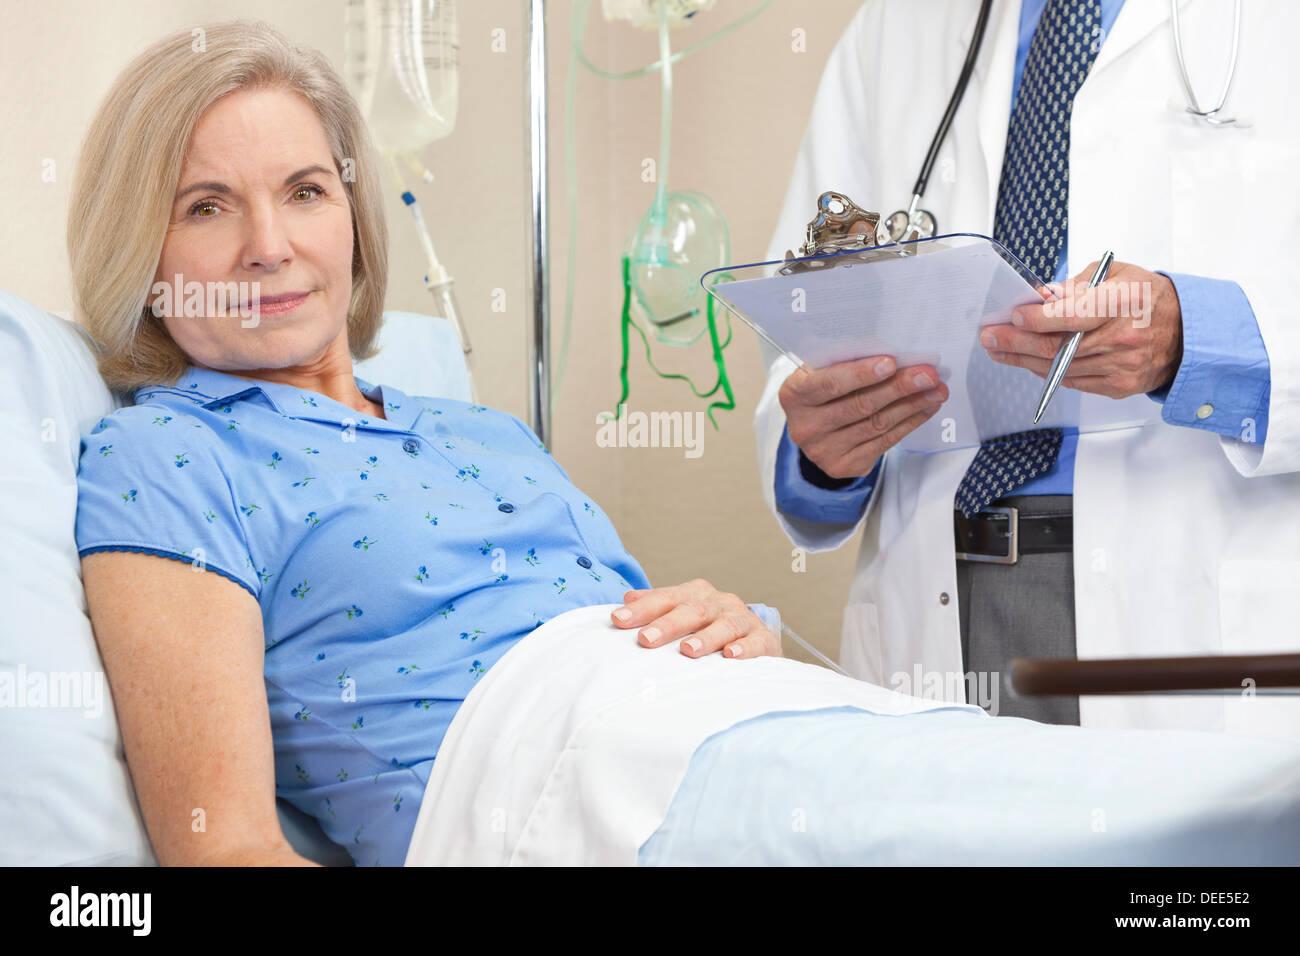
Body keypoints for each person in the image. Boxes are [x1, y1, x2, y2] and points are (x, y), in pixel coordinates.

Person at [71, 21, 782, 868]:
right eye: (207, 206)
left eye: (305, 192)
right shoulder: (166, 454)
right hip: (591, 811)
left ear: (353, 219)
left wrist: (737, 633)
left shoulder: (490, 434)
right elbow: (224, 850)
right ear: (142, 256)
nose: (270, 248)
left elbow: (633, 630)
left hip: (753, 726)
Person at [755, 0, 1300, 733]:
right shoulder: (895, 26)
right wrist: (821, 451)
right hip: (943, 601)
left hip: (1207, 606)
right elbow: (806, 313)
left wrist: (1199, 340)